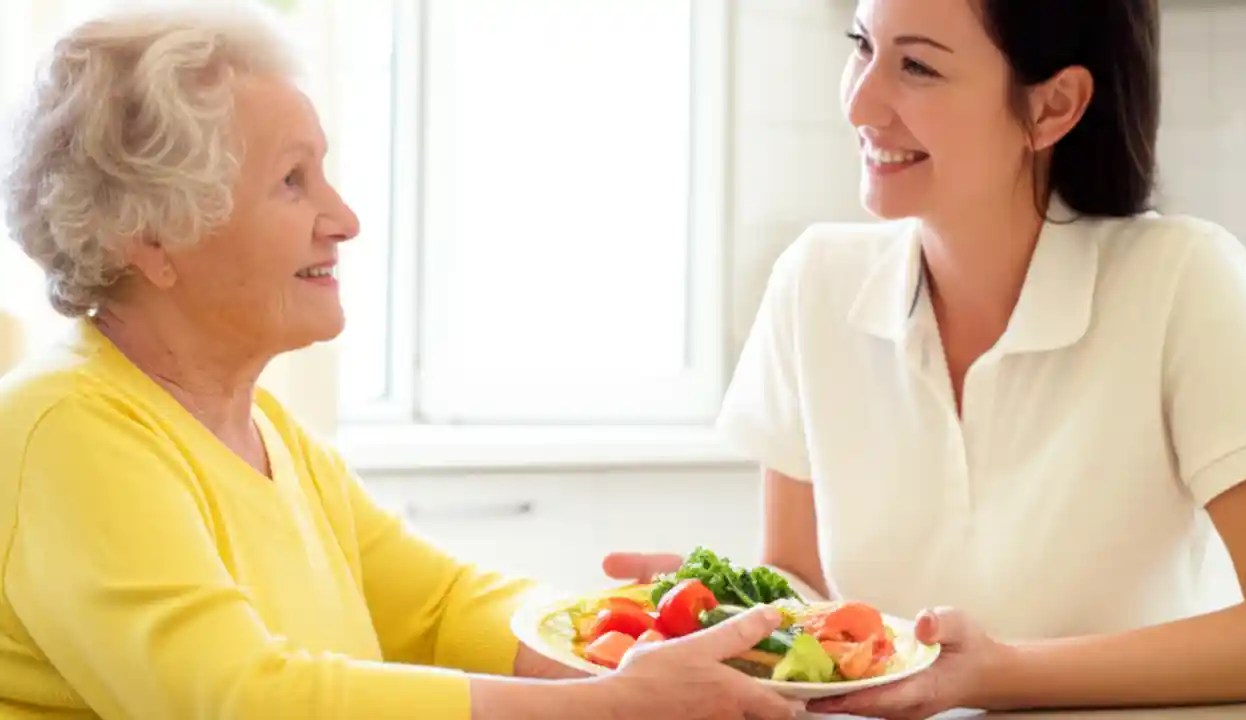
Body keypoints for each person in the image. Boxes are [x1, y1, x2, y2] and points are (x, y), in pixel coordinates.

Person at [0, 6, 799, 720]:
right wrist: (612, 704)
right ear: (153, 237)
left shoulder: (260, 428)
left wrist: (660, 627)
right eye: (290, 181)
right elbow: (239, 700)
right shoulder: (66, 429)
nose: (343, 218)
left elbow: (441, 608)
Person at [610, 0, 1246, 717]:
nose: (861, 102)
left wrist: (997, 673)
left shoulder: (1181, 278)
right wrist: (727, 611)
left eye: (918, 66)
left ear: (1053, 106)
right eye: (861, 46)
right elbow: (804, 586)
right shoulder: (816, 281)